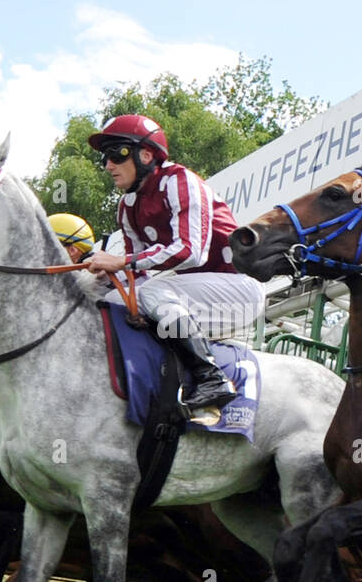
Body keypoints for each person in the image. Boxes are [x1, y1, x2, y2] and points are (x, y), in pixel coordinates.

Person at [83, 115, 265, 416]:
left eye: (117, 154)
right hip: (195, 295)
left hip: (238, 290)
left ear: (145, 154)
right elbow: (135, 274)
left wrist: (121, 261)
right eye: (105, 157)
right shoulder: (127, 206)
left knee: (155, 291)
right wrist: (107, 276)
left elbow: (190, 251)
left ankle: (212, 378)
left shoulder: (180, 181)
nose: (108, 165)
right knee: (110, 300)